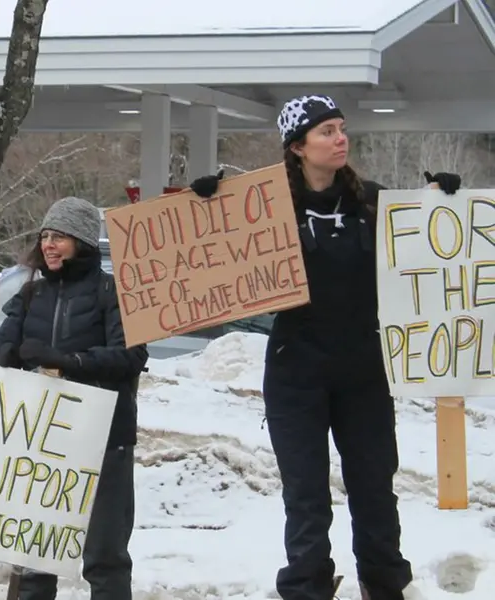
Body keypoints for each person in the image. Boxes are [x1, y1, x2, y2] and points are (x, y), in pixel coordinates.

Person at [189, 95, 462, 600]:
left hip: (363, 369)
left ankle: (384, 584)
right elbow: (206, 252)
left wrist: (440, 199)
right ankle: (307, 586)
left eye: (341, 128)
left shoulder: (370, 202)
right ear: (298, 147)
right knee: (306, 493)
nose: (341, 139)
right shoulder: (266, 209)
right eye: (327, 131)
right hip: (296, 370)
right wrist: (205, 208)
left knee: (374, 486)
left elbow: (419, 233)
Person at [0, 196, 149, 600]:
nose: (49, 245)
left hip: (104, 436)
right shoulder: (30, 295)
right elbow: (1, 349)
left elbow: (131, 356)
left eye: (59, 236)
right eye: (44, 237)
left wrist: (70, 361)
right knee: (36, 555)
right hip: (44, 437)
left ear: (82, 241)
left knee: (105, 556)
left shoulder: (112, 292)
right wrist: (3, 357)